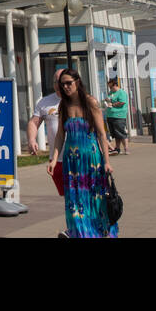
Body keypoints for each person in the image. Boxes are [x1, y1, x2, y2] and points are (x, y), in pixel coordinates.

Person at [47, 68, 116, 238]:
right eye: (62, 84)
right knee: (75, 199)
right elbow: (60, 135)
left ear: (77, 82)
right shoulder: (64, 105)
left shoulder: (90, 102)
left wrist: (107, 161)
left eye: (68, 83)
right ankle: (78, 232)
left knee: (94, 198)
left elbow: (101, 134)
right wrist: (54, 159)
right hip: (72, 161)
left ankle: (99, 232)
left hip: (91, 159)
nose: (65, 87)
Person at [26, 71, 63, 155]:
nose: (58, 85)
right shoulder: (44, 102)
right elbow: (33, 123)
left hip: (77, 156)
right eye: (55, 82)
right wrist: (32, 140)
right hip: (56, 158)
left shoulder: (79, 100)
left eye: (60, 81)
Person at [103, 78, 130, 154]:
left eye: (111, 87)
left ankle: (126, 148)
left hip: (119, 115)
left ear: (115, 85)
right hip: (110, 115)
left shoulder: (121, 92)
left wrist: (112, 104)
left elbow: (122, 102)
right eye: (109, 87)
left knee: (121, 132)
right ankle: (117, 148)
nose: (110, 89)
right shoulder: (111, 93)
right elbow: (110, 100)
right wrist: (107, 100)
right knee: (115, 133)